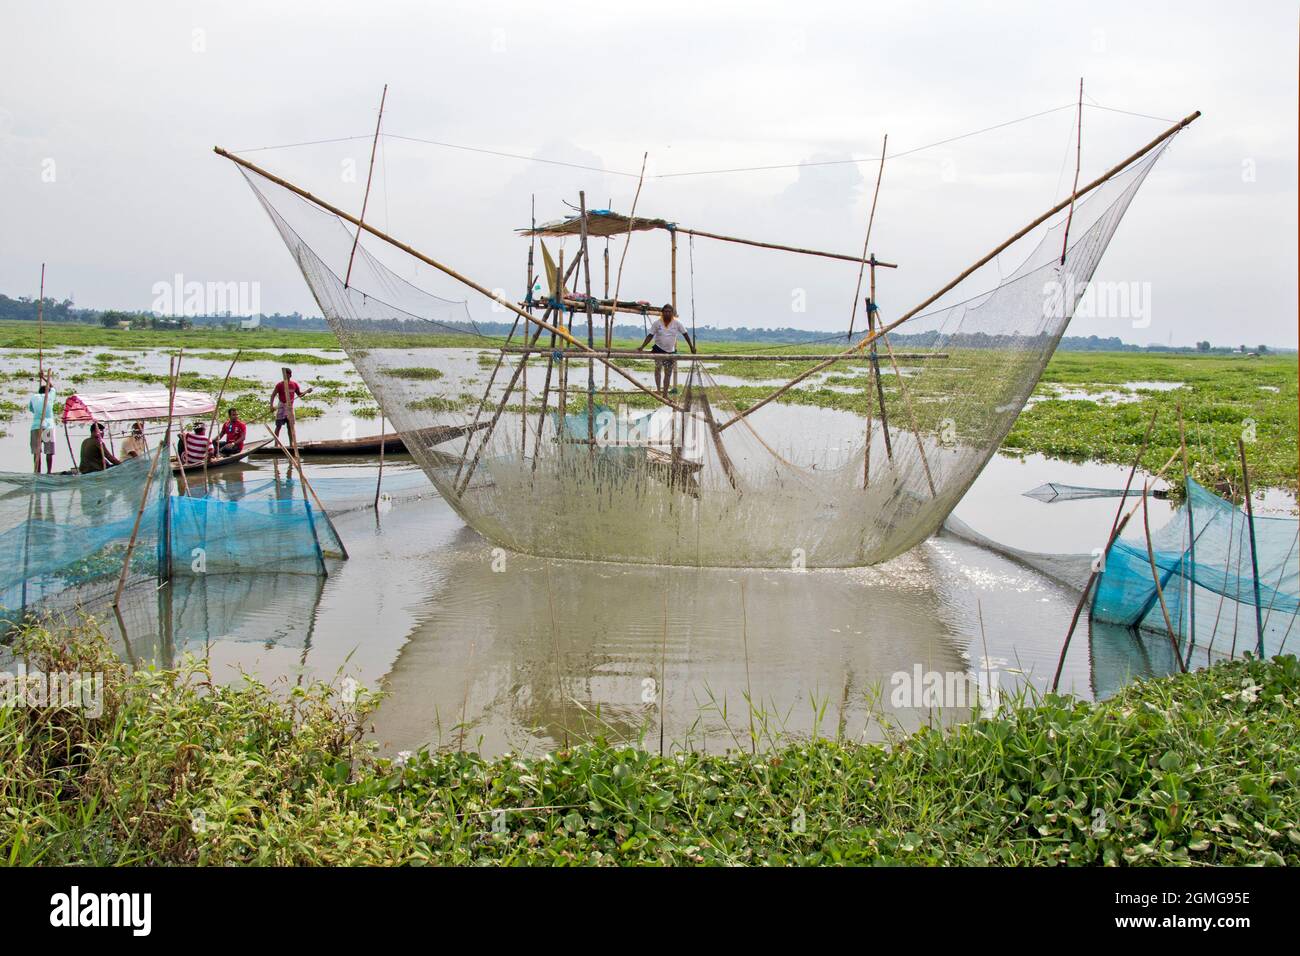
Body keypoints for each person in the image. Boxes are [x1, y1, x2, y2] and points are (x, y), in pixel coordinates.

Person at [636, 304, 695, 398]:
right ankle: (659, 390)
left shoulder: (677, 323)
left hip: (670, 352)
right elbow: (650, 335)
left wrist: (691, 347)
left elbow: (685, 334)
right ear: (662, 313)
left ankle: (665, 394)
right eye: (665, 312)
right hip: (658, 349)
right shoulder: (657, 323)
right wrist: (642, 346)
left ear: (672, 313)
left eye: (669, 312)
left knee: (668, 373)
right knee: (658, 369)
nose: (667, 313)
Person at [270, 368, 313, 438]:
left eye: (287, 374)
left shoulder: (294, 384)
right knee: (278, 426)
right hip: (281, 406)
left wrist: (306, 391)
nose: (286, 376)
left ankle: (292, 444)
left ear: (290, 375)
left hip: (290, 407)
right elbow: (273, 395)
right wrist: (271, 406)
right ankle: (276, 444)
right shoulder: (280, 385)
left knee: (290, 427)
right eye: (284, 375)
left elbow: (300, 395)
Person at [27, 373, 56, 474]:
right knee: (49, 452)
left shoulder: (34, 397)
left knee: (36, 452)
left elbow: (31, 409)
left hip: (36, 426)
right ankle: (49, 472)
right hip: (48, 426)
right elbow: (52, 387)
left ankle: (37, 472)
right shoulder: (50, 395)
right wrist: (43, 377)